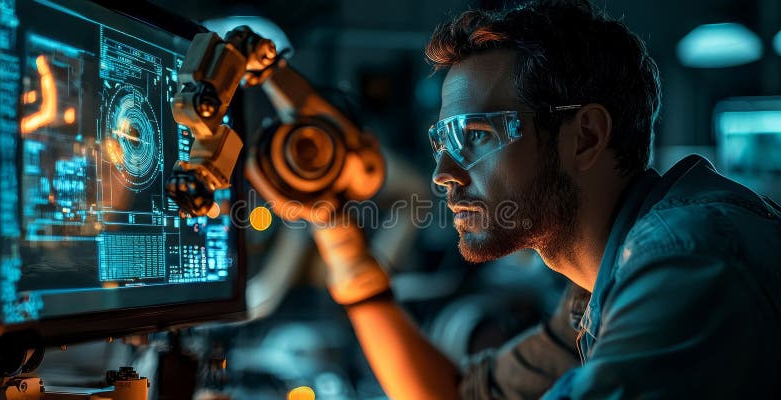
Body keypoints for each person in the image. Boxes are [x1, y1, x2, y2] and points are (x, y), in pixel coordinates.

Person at [258, 0, 781, 398]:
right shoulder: (595, 288)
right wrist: (335, 228)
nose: (442, 175)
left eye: (476, 136)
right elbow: (459, 396)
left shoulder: (688, 259)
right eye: (443, 143)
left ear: (585, 137)